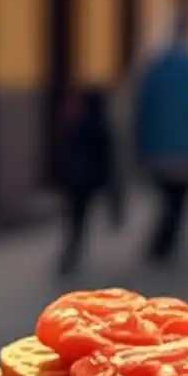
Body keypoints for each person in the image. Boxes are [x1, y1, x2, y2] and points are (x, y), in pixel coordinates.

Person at [133, 9, 188, 263]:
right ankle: (163, 245)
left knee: (168, 199)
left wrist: (143, 147)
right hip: (186, 151)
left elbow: (143, 109)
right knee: (176, 201)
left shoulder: (155, 67)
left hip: (159, 150)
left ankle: (162, 245)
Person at [56, 86, 122, 276]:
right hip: (88, 180)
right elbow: (106, 159)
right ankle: (71, 252)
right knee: (78, 220)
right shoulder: (99, 127)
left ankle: (70, 252)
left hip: (74, 181)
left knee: (75, 220)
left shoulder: (73, 124)